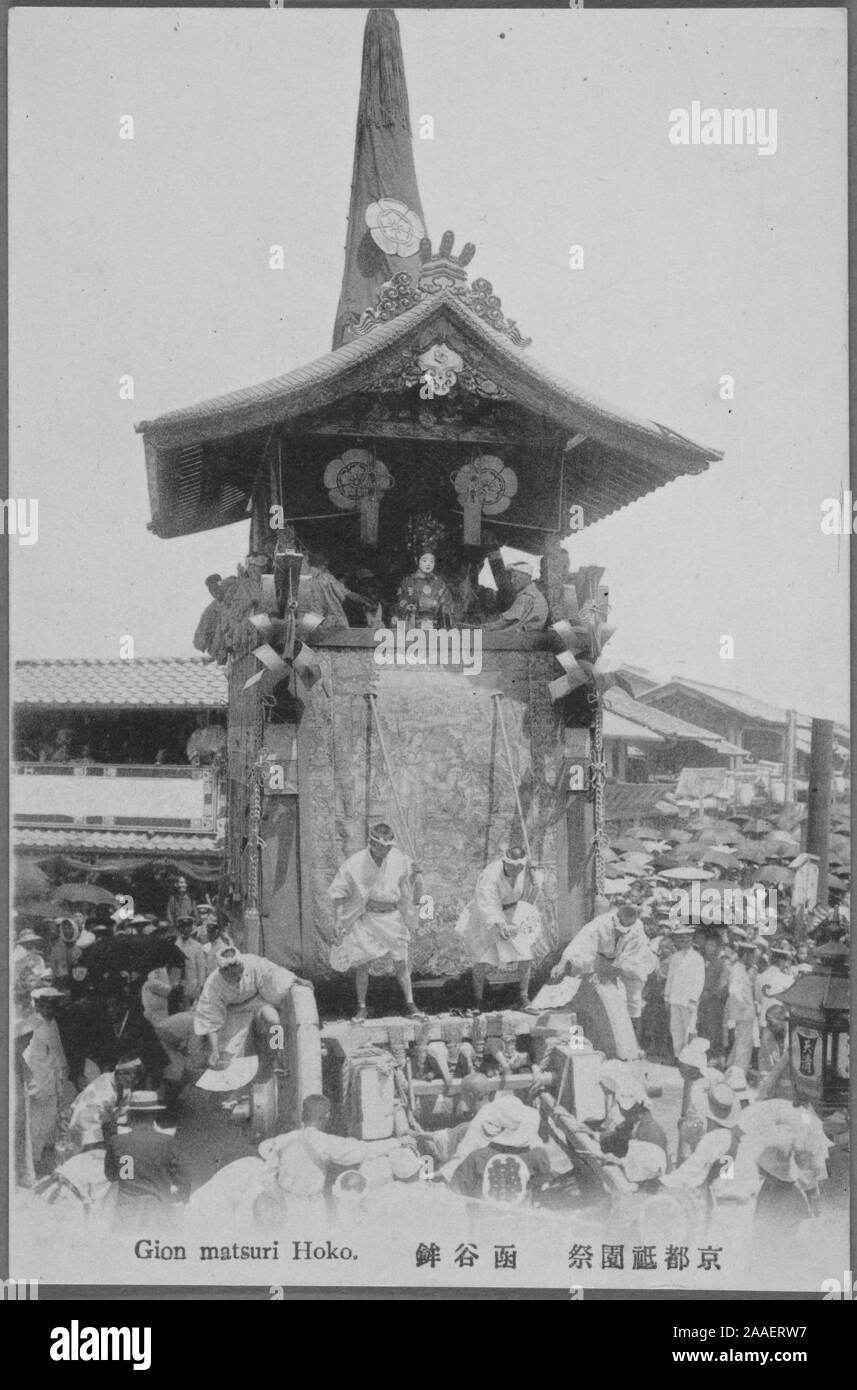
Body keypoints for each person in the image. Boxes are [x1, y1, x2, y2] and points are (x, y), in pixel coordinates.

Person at [258, 1094, 414, 1216]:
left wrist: (277, 1197)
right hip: (312, 1207)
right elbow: (362, 1151)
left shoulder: (284, 1140)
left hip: (286, 1204)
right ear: (327, 1116)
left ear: (302, 1116)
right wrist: (396, 1142)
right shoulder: (325, 1142)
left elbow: (267, 1175)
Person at [328, 824, 424, 1022]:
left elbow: (414, 888)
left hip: (392, 917)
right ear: (371, 843)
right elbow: (337, 892)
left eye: (388, 847)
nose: (385, 851)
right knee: (363, 964)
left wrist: (416, 873)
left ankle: (411, 1004)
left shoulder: (398, 859)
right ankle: (362, 1007)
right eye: (381, 846)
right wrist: (338, 918)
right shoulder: (355, 863)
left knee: (401, 962)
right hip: (368, 917)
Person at [552, 902, 656, 1043]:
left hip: (627, 960)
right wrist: (561, 964)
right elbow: (580, 944)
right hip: (600, 958)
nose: (622, 933)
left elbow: (630, 956)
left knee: (633, 999)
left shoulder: (637, 927)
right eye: (619, 930)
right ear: (615, 920)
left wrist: (609, 975)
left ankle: (633, 1043)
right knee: (583, 989)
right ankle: (580, 1033)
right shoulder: (599, 924)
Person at [455, 846, 543, 1011]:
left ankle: (524, 998)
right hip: (485, 916)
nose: (517, 870)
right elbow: (488, 903)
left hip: (513, 911)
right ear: (504, 862)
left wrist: (534, 877)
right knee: (481, 957)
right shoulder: (490, 875)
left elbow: (534, 892)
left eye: (520, 867)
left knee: (525, 953)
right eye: (513, 867)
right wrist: (500, 924)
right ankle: (478, 1000)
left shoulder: (525, 869)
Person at [104, 1091, 190, 1226]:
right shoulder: (167, 1142)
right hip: (158, 1210)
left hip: (126, 1210)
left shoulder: (116, 1141)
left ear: (130, 1115)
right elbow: (182, 1179)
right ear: (154, 1115)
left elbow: (111, 1175)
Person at [448, 1094, 551, 1203]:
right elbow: (543, 1191)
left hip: (483, 1216)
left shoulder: (476, 1159)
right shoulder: (539, 1157)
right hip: (523, 1216)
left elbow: (455, 1194)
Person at [22, 986, 72, 1172]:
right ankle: (32, 1164)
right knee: (35, 1126)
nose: (50, 1010)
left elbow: (57, 1052)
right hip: (37, 1084)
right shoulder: (32, 1025)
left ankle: (44, 1162)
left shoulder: (52, 1023)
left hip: (52, 1082)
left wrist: (62, 1077)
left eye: (53, 1006)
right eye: (46, 1006)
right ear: (38, 1005)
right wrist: (32, 1085)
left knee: (50, 1124)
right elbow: (27, 1057)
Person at [67, 1056, 143, 1151]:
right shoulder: (101, 1089)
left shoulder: (124, 1086)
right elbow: (84, 1122)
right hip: (82, 1132)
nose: (134, 1083)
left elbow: (123, 1115)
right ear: (120, 1074)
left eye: (136, 1080)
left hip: (105, 1129)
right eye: (132, 1079)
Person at [663, 926, 705, 1059]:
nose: (684, 941)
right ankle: (677, 1056)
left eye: (687, 938)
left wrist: (694, 999)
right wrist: (667, 996)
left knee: (689, 1029)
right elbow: (670, 977)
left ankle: (688, 1059)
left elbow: (699, 981)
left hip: (688, 1000)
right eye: (682, 938)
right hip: (675, 998)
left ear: (692, 939)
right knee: (676, 1029)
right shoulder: (675, 957)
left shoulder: (697, 958)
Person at [484, 560, 548, 633]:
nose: (512, 581)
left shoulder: (526, 597)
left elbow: (506, 622)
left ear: (526, 577)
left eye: (515, 576)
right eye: (512, 577)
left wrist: (484, 628)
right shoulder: (535, 594)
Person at [394, 551, 454, 629]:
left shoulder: (440, 583)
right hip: (413, 624)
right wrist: (407, 606)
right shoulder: (408, 581)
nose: (428, 564)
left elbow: (448, 603)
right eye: (424, 561)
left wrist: (444, 607)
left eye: (431, 561)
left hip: (435, 625)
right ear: (417, 561)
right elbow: (401, 602)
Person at [697, 933, 730, 1065]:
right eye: (707, 944)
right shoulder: (700, 960)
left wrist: (711, 994)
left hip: (713, 1001)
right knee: (701, 1026)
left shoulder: (721, 964)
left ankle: (712, 1056)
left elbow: (722, 984)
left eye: (712, 945)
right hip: (700, 998)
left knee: (712, 1029)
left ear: (717, 948)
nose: (709, 947)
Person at [726, 938, 758, 1072]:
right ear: (745, 955)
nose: (753, 959)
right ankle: (738, 1073)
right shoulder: (737, 970)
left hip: (745, 1015)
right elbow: (734, 992)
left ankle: (731, 1069)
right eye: (752, 956)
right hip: (743, 1015)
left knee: (741, 1043)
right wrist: (744, 1007)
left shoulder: (741, 969)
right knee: (744, 1045)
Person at [173, 915, 207, 1005]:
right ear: (179, 928)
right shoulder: (175, 944)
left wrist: (200, 985)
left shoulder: (197, 946)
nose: (185, 930)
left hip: (192, 985)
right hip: (177, 984)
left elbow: (201, 968)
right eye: (182, 927)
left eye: (187, 927)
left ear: (191, 929)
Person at [193, 574, 224, 661]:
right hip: (221, 653)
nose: (214, 593)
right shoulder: (210, 611)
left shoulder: (236, 599)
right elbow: (198, 640)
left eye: (216, 589)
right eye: (211, 590)